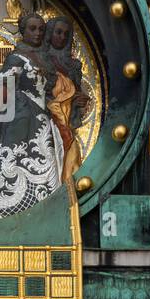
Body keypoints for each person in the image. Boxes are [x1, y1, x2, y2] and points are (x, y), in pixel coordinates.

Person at [0, 13, 64, 223]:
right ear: (23, 31)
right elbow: (4, 84)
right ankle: (6, 208)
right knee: (13, 162)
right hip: (22, 119)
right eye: (32, 29)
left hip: (42, 120)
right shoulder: (17, 57)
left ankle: (39, 213)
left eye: (41, 30)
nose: (37, 33)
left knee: (44, 165)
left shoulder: (44, 58)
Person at [46, 17, 90, 181]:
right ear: (49, 34)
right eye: (58, 32)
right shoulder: (42, 61)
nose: (62, 37)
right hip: (49, 121)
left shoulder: (74, 66)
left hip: (68, 120)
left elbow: (74, 91)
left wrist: (79, 101)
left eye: (66, 34)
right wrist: (67, 100)